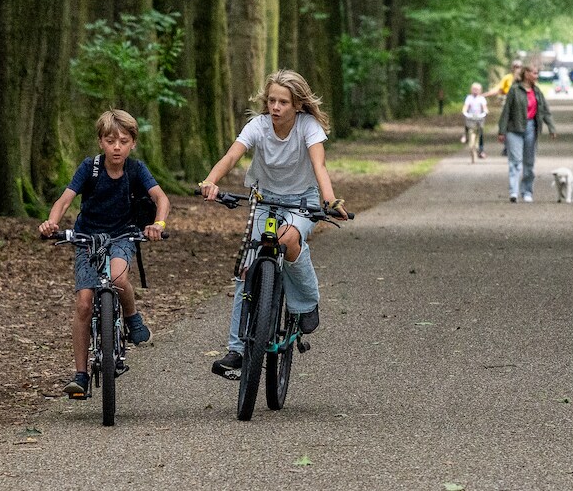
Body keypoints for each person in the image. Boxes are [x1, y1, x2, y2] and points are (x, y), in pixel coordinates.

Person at [197, 70, 348, 378]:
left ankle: (305, 303)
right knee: (246, 268)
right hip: (263, 198)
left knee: (289, 240)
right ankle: (237, 350)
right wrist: (211, 181)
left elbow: (319, 165)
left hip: (301, 200)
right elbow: (231, 156)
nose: (276, 107)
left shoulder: (309, 126)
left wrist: (330, 201)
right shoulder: (258, 126)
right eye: (272, 101)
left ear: (297, 105)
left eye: (283, 102)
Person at [38, 109, 171, 399]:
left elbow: (161, 198)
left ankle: (132, 317)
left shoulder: (136, 170)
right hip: (87, 238)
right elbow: (65, 199)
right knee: (84, 304)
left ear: (132, 143)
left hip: (122, 235)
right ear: (101, 142)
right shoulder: (90, 168)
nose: (117, 147)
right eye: (111, 140)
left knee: (119, 278)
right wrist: (52, 222)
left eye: (123, 141)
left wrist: (157, 224)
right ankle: (81, 375)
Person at [497, 65, 556, 203]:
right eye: (535, 73)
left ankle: (527, 191)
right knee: (515, 161)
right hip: (514, 129)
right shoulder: (514, 90)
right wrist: (502, 131)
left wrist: (551, 128)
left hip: (531, 128)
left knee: (529, 163)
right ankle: (513, 192)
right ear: (526, 74)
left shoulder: (537, 91)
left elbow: (545, 111)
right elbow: (506, 111)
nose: (537, 76)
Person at [462, 82, 489, 159]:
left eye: (477, 89)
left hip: (479, 118)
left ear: (480, 90)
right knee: (467, 124)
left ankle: (481, 150)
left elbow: (484, 108)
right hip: (471, 117)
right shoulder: (469, 98)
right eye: (474, 89)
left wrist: (485, 112)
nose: (475, 91)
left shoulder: (482, 99)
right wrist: (464, 111)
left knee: (480, 131)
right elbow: (466, 106)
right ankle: (465, 136)